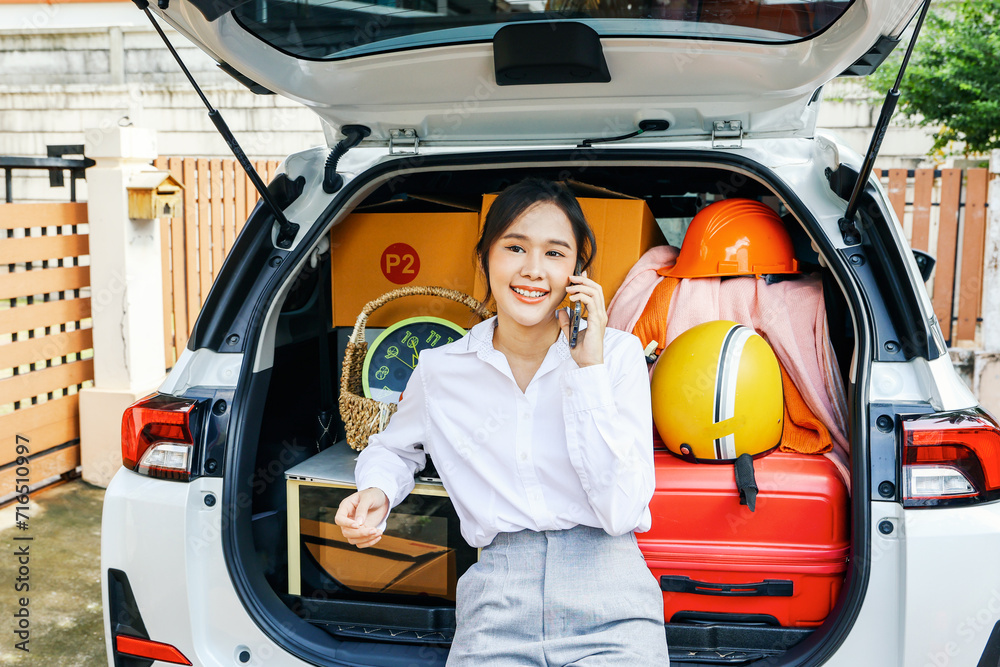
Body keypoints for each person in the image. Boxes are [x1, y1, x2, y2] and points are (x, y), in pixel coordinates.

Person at [334, 178, 669, 665]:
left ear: (578, 272)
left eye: (556, 254)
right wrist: (377, 492)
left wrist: (588, 369)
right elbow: (393, 448)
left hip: (612, 598)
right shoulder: (440, 369)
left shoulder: (617, 358)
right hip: (497, 602)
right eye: (515, 247)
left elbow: (621, 509)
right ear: (485, 257)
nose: (533, 270)